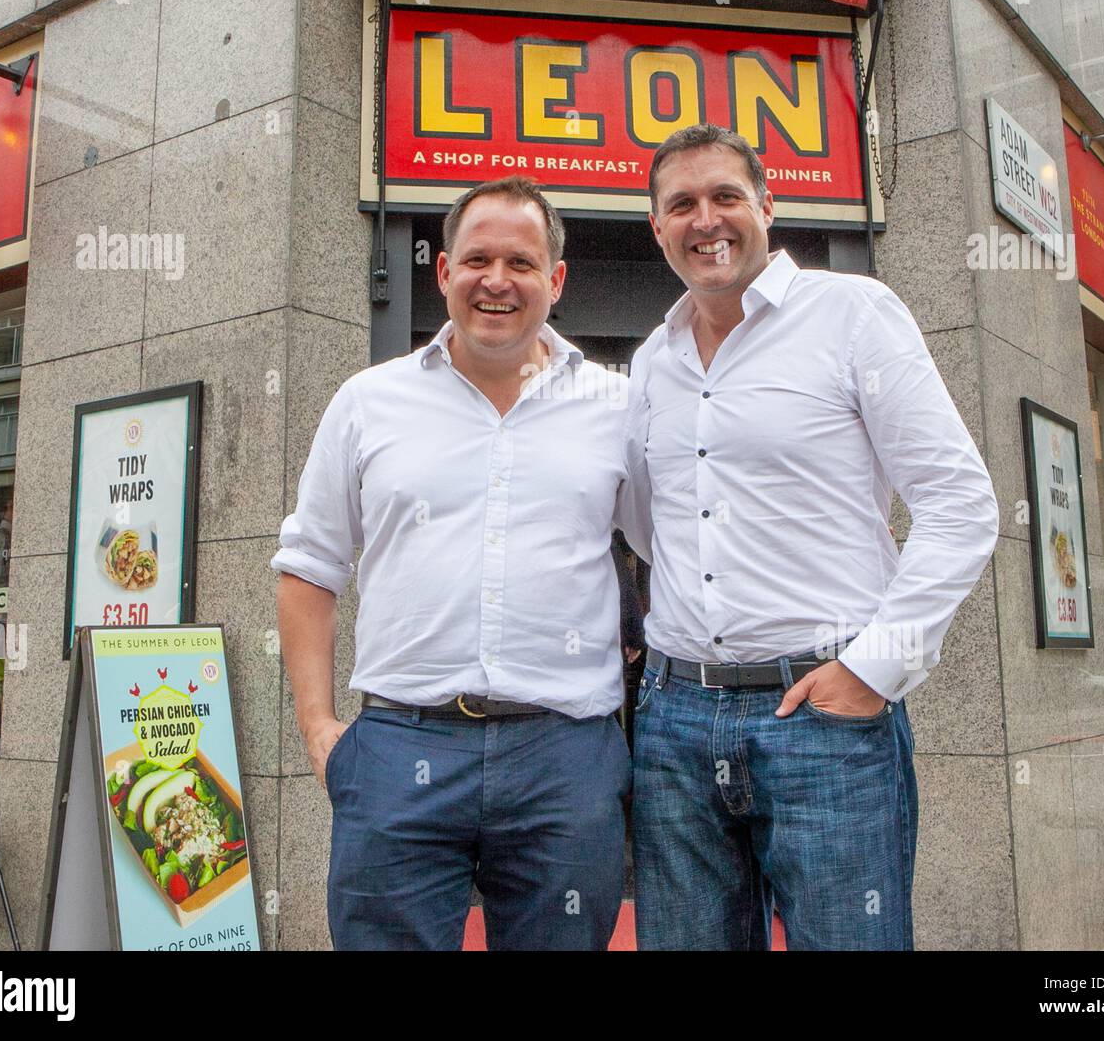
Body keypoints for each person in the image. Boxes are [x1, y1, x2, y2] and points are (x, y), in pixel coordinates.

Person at [627, 123, 999, 950]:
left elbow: (960, 503)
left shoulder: (852, 313)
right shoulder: (652, 360)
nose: (706, 220)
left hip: (825, 720)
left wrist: (874, 670)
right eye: (680, 204)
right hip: (675, 724)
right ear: (656, 227)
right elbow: (655, 527)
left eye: (726, 196)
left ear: (767, 203)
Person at [272, 176, 649, 951]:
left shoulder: (618, 408)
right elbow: (310, 565)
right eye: (477, 258)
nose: (497, 280)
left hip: (564, 755)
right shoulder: (367, 402)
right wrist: (318, 729)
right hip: (399, 746)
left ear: (556, 280)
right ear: (443, 272)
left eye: (521, 260)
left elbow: (671, 552)